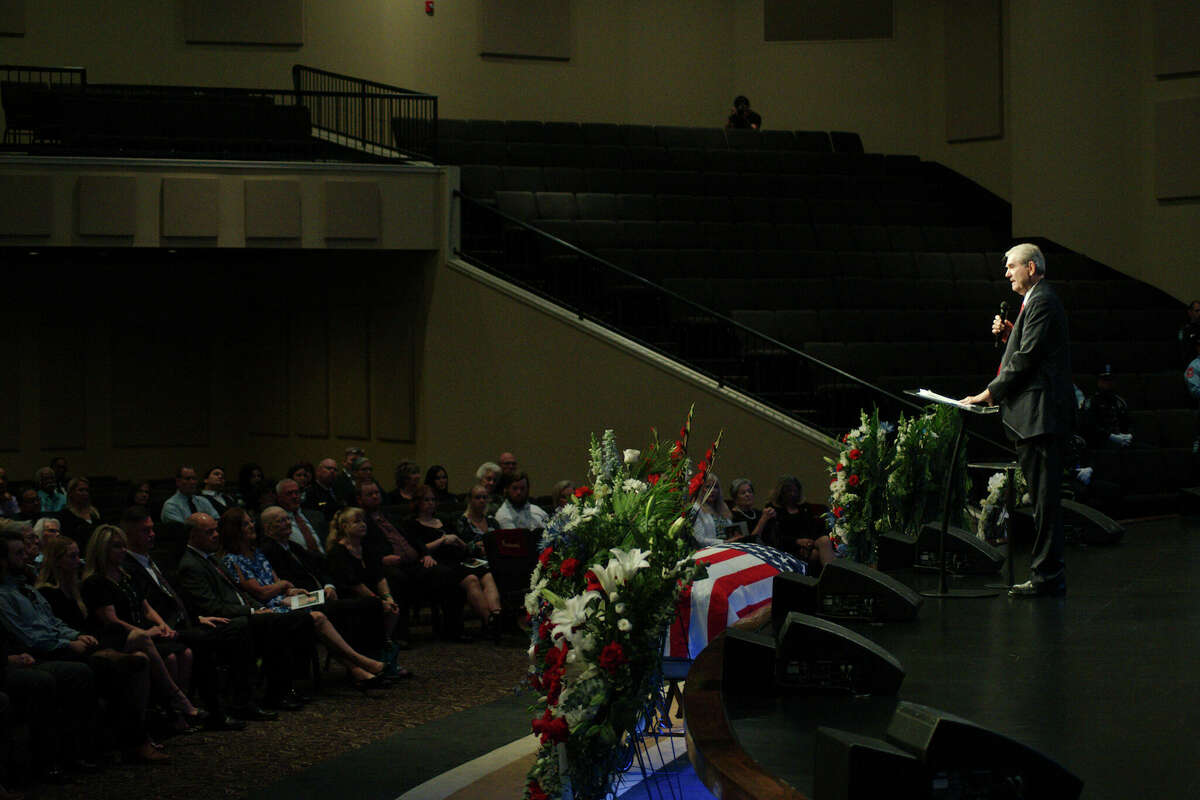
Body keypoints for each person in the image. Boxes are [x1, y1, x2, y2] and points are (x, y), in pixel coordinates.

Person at [962, 243, 1073, 598]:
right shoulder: (1036, 301)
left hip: (1040, 417)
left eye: (1012, 266)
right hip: (1036, 417)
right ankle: (1046, 575)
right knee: (1043, 501)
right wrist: (1011, 334)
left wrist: (990, 393)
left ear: (1032, 268)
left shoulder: (1042, 300)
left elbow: (1026, 359)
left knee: (1044, 502)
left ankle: (1047, 577)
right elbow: (1031, 350)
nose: (1007, 273)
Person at [119, 506, 268, 728]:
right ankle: (217, 712)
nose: (152, 535)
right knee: (208, 639)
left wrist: (198, 617)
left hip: (185, 622)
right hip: (163, 629)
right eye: (144, 531)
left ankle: (243, 699)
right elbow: (148, 608)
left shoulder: (152, 560)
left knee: (238, 628)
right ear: (128, 535)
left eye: (152, 530)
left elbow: (175, 598)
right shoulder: (128, 567)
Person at [219, 507, 387, 691]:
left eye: (251, 521)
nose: (252, 525)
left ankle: (359, 669)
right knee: (319, 618)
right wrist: (283, 586)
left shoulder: (257, 553)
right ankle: (361, 662)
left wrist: (293, 590)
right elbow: (261, 593)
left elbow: (278, 583)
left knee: (330, 616)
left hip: (284, 602)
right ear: (235, 530)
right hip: (266, 610)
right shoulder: (232, 560)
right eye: (246, 523)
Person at [175, 512, 315, 711]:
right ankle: (273, 694)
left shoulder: (212, 558)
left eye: (216, 530)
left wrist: (259, 608)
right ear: (192, 536)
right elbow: (211, 606)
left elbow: (239, 592)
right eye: (209, 532)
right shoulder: (191, 565)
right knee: (276, 622)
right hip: (222, 621)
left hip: (244, 612)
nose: (216, 535)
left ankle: (290, 686)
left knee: (300, 618)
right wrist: (252, 611)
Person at [79, 525, 205, 732]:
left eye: (123, 546)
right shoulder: (96, 582)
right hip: (116, 637)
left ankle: (178, 712)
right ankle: (176, 705)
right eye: (116, 547)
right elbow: (112, 621)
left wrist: (162, 625)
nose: (122, 551)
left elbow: (146, 608)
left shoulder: (127, 576)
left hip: (141, 633)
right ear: (102, 549)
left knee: (187, 652)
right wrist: (147, 633)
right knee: (170, 658)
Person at [358, 480, 464, 646]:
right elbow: (361, 548)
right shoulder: (360, 521)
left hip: (413, 562)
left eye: (377, 493)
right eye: (369, 494)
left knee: (446, 573)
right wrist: (380, 559)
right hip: (388, 566)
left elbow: (413, 539)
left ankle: (453, 630)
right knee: (397, 579)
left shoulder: (389, 516)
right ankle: (400, 635)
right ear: (360, 499)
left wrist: (425, 553)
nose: (375, 496)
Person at [405, 485, 503, 642]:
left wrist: (459, 542)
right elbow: (416, 549)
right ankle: (490, 622)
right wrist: (443, 540)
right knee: (471, 579)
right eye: (426, 500)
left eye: (433, 500)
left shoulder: (443, 520)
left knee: (486, 574)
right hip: (438, 562)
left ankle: (495, 615)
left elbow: (462, 544)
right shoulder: (412, 524)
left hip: (458, 558)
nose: (431, 503)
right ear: (417, 502)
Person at [324, 507, 408, 676]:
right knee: (376, 607)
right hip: (349, 599)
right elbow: (354, 584)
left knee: (393, 608)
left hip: (371, 597)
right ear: (345, 527)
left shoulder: (367, 548)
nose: (363, 525)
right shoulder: (338, 552)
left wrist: (388, 597)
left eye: (363, 521)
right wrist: (378, 600)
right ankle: (378, 657)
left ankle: (383, 653)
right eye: (357, 522)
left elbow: (380, 578)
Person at [760, 475, 833, 572]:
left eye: (795, 491)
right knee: (815, 554)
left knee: (824, 540)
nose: (792, 494)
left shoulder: (805, 508)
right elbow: (774, 537)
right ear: (781, 493)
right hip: (787, 547)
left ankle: (834, 576)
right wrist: (797, 542)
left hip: (808, 544)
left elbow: (812, 529)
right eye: (789, 491)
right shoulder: (773, 510)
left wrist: (807, 543)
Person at [1079, 365, 1132, 449]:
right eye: (1105, 380)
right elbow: (1088, 426)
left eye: (1111, 380)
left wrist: (1128, 435)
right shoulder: (1091, 402)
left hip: (1121, 440)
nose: (1108, 383)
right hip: (1099, 442)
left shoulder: (1120, 402)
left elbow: (1128, 422)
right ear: (1099, 382)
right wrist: (1110, 436)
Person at [56, 477, 101, 548]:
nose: (85, 493)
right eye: (81, 490)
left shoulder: (95, 513)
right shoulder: (65, 515)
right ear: (71, 493)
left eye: (87, 490)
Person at [727, 478, 776, 542]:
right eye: (743, 493)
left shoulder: (758, 513)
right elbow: (748, 543)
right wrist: (763, 520)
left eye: (750, 491)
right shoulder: (732, 516)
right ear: (735, 498)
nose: (747, 495)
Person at [691, 473, 733, 547]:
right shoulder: (695, 509)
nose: (712, 490)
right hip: (710, 552)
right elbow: (699, 539)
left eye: (715, 487)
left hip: (729, 549)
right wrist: (724, 542)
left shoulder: (723, 507)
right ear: (700, 489)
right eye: (708, 487)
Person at [1177, 300, 1200, 364]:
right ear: (1190, 312)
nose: (1199, 313)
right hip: (1191, 364)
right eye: (1197, 311)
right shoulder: (1185, 330)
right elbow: (1182, 349)